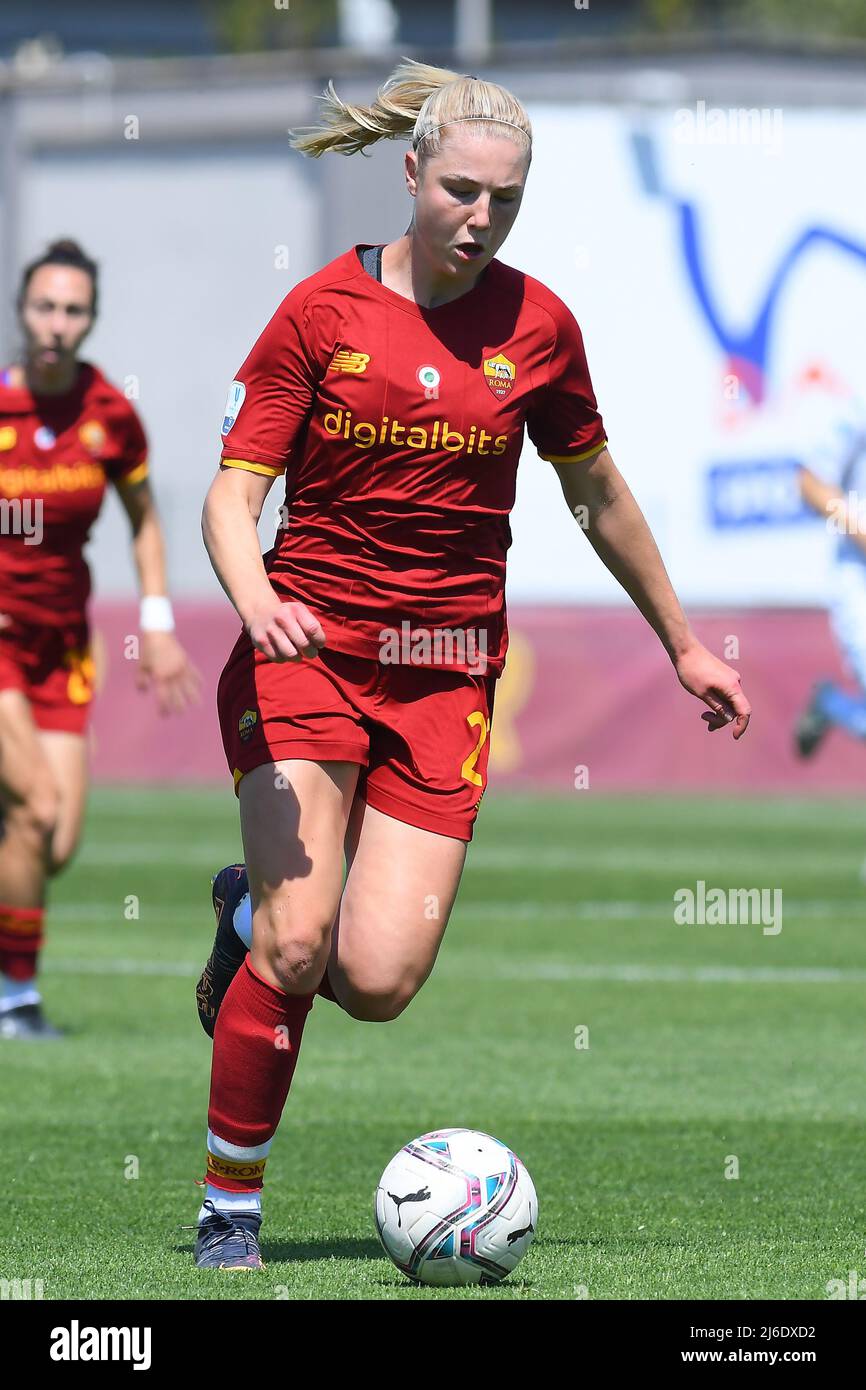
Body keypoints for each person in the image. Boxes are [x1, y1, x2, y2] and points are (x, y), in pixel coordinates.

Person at [192, 60, 751, 1271]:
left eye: (504, 197)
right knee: (302, 948)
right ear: (408, 175)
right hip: (310, 658)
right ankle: (228, 1204)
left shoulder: (539, 328)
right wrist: (257, 600)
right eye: (458, 190)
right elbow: (233, 499)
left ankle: (238, 913)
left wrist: (684, 642)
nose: (479, 217)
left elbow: (595, 493)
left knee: (380, 979)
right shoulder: (318, 317)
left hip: (447, 677)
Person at [0, 238, 200, 1040]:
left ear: (91, 319)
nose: (57, 323)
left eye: (72, 309)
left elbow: (145, 519)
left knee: (58, 841)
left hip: (63, 646)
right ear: (22, 311)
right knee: (34, 806)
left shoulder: (110, 415)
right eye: (44, 306)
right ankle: (16, 1000)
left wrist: (157, 622)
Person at [794, 379, 866, 772]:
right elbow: (810, 482)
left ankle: (833, 704)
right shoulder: (860, 405)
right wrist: (860, 533)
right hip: (860, 574)